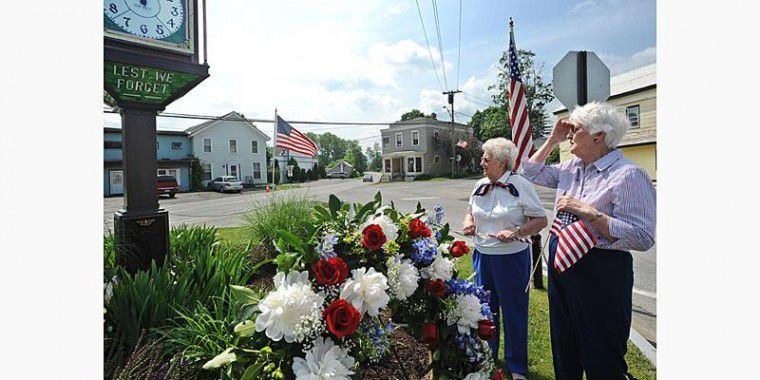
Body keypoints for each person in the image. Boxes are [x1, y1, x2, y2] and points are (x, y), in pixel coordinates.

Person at [521, 101, 656, 380]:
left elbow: (643, 236)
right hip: (563, 267)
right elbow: (529, 171)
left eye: (576, 130)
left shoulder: (628, 175)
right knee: (564, 349)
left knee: (602, 356)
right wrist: (551, 139)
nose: (569, 135)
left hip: (600, 271)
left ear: (599, 136)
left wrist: (590, 213)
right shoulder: (573, 167)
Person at [463, 137, 548, 380]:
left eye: (486, 159)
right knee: (486, 310)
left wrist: (516, 232)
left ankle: (517, 367)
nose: (482, 163)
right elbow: (470, 212)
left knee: (514, 312)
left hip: (511, 260)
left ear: (501, 163)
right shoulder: (479, 185)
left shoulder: (520, 185)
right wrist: (469, 224)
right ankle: (488, 358)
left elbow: (541, 221)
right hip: (483, 256)